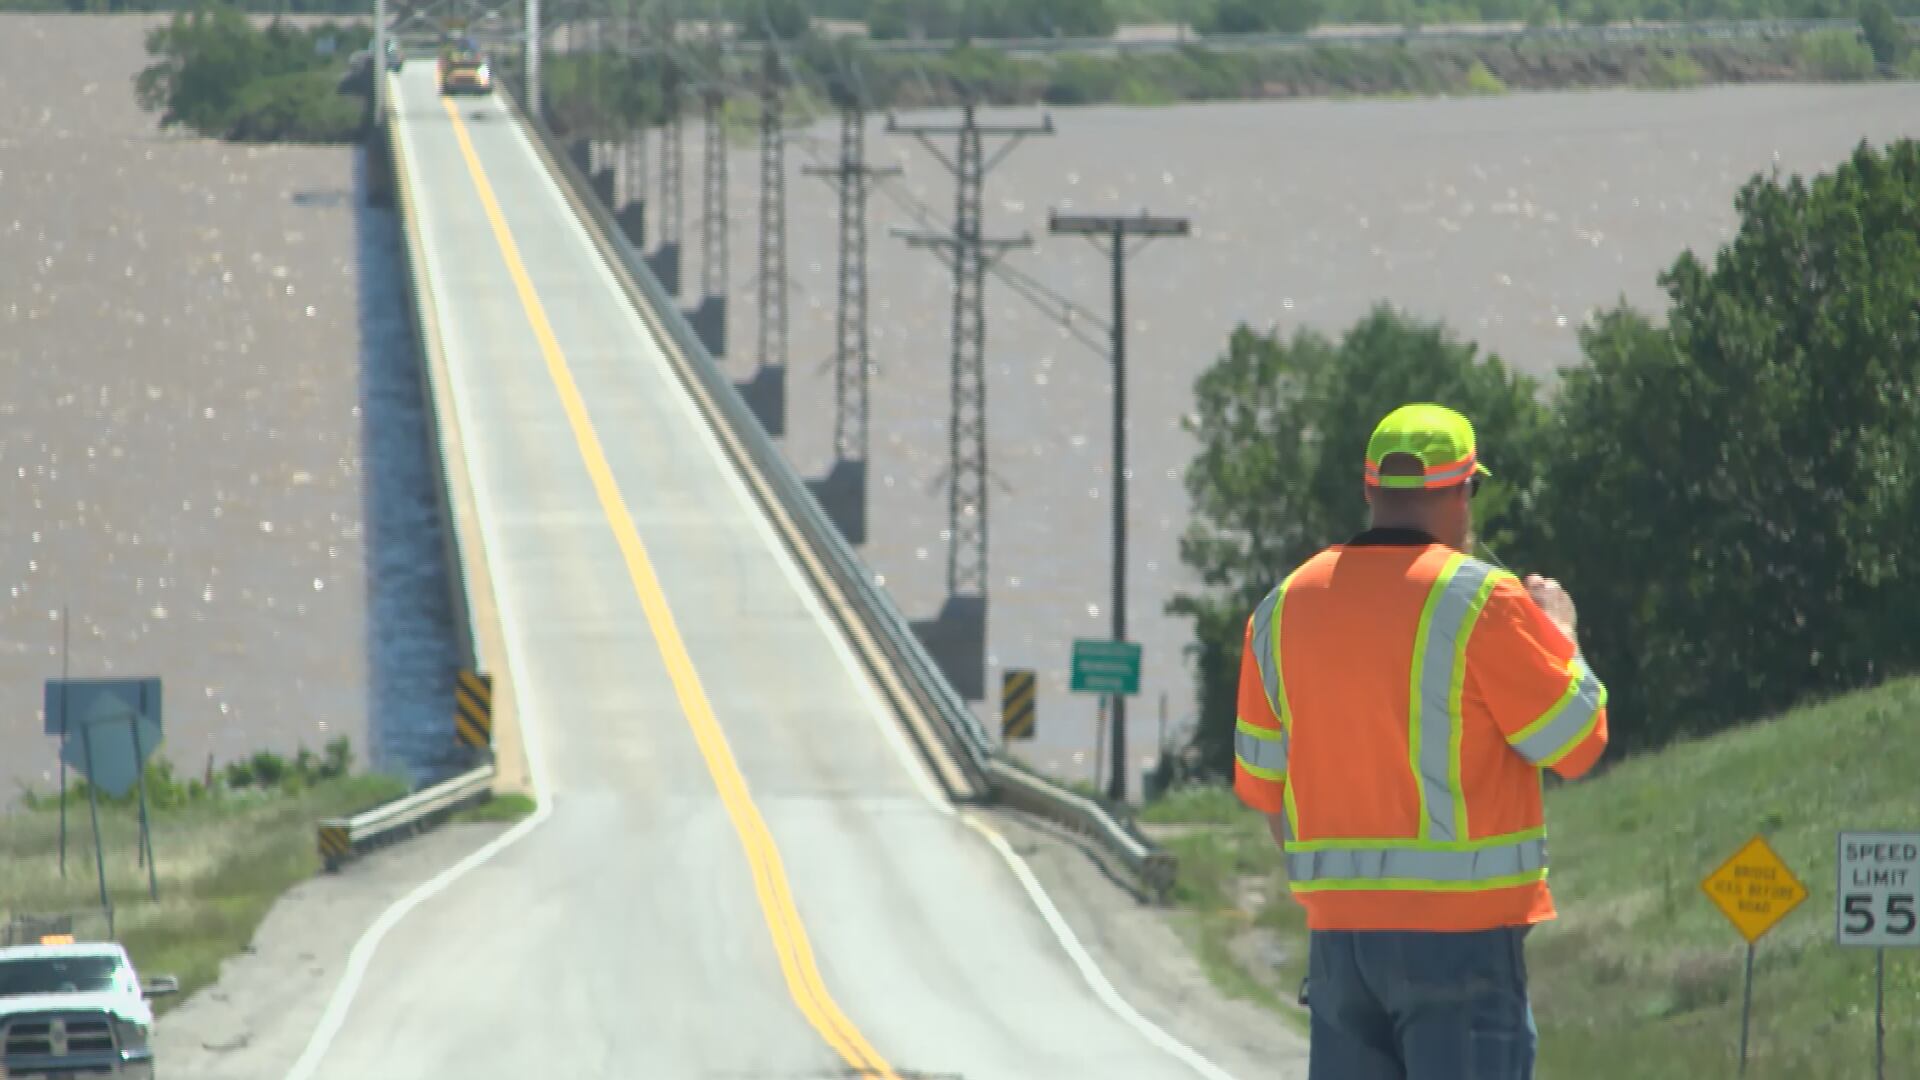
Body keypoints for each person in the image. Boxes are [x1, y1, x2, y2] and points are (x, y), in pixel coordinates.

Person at [1234, 403, 1608, 1080]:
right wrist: (1560, 630)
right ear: (1462, 491)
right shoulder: (1483, 601)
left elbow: (1266, 793)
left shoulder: (1280, 608)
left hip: (1339, 951)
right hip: (1461, 948)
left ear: (1370, 491)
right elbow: (1577, 743)